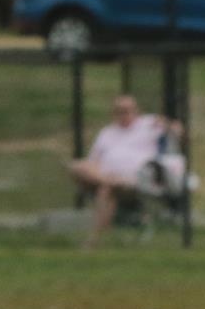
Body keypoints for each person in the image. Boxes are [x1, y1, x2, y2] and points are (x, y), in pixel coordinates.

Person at [69, 94, 182, 249]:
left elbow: (177, 131)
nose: (124, 114)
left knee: (106, 191)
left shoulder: (148, 124)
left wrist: (167, 123)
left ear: (137, 111)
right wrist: (104, 176)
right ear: (113, 113)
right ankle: (109, 181)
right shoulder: (106, 132)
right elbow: (93, 161)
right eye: (119, 111)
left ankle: (94, 240)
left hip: (138, 181)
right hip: (107, 178)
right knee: (77, 166)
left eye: (128, 110)